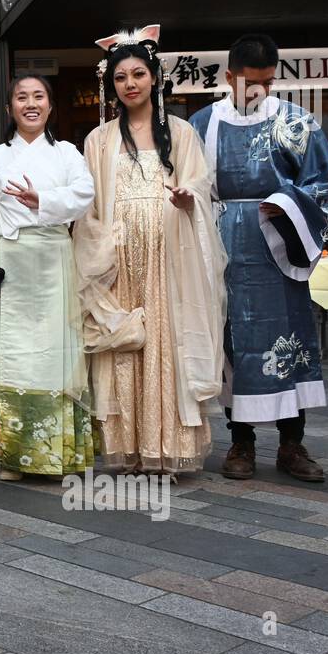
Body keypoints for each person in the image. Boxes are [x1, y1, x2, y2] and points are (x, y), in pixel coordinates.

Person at [74, 26, 226, 475]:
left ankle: (168, 446)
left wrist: (186, 200)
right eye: (121, 78)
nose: (130, 84)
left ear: (155, 78)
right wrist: (101, 253)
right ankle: (131, 447)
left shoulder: (180, 133)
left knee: (166, 344)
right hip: (117, 256)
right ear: (112, 85)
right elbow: (90, 206)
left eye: (139, 74)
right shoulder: (98, 140)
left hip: (168, 255)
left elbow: (199, 183)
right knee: (124, 345)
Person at [189, 34, 328, 482]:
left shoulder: (298, 122)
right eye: (249, 82)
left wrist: (288, 204)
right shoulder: (201, 123)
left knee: (287, 338)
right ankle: (243, 440)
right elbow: (187, 185)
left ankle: (292, 444)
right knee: (233, 338)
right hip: (221, 243)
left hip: (279, 245)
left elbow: (322, 187)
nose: (258, 91)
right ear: (229, 76)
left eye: (267, 83)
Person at [0, 73, 96, 480]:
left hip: (52, 260)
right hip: (8, 261)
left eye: (38, 96)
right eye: (21, 97)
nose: (30, 103)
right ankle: (12, 456)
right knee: (11, 358)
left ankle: (52, 453)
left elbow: (83, 197)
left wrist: (42, 200)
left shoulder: (68, 155)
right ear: (9, 108)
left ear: (49, 105)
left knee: (52, 355)